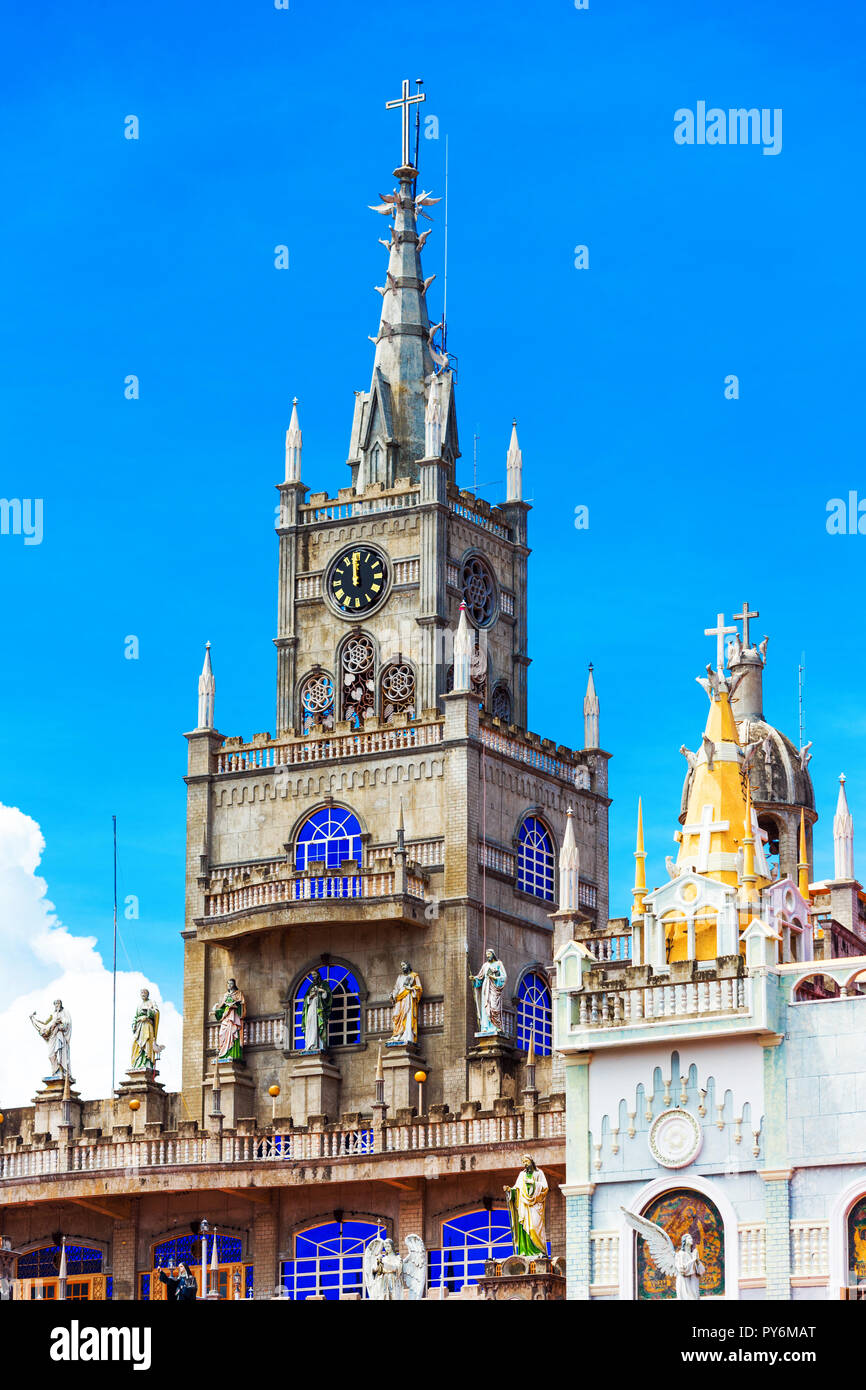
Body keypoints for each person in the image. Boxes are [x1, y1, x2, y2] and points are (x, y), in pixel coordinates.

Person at [504, 1154, 548, 1256]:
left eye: (526, 1161)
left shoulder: (539, 1173)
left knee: (533, 1228)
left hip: (535, 1205)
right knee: (523, 1227)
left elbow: (545, 1188)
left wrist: (533, 1183)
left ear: (531, 1161)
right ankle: (524, 1251)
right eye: (523, 1162)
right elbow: (517, 1189)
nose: (525, 1164)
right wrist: (510, 1190)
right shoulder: (521, 1175)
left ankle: (538, 1251)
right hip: (524, 1205)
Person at [470, 950, 506, 1034]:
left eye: (489, 954)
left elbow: (504, 977)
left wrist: (494, 978)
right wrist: (474, 978)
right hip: (486, 987)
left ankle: (496, 1026)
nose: (487, 956)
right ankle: (485, 1027)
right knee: (485, 1006)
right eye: (486, 954)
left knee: (494, 1006)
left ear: (493, 954)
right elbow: (480, 977)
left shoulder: (498, 964)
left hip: (494, 987)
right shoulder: (485, 965)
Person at [388, 961, 422, 1046]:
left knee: (407, 1016)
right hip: (399, 999)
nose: (403, 967)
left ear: (408, 965)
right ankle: (398, 1035)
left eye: (404, 965)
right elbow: (396, 988)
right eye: (401, 966)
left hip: (408, 998)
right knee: (397, 1015)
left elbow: (419, 988)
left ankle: (407, 1036)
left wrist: (410, 988)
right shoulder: (399, 977)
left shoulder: (414, 975)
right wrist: (392, 995)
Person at [214, 979, 245, 1062]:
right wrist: (216, 1011)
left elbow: (242, 1006)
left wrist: (236, 1005)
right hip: (227, 1017)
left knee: (233, 1032)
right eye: (228, 984)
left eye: (231, 983)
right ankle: (224, 1052)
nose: (230, 985)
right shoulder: (226, 995)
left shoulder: (239, 993)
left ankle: (232, 1053)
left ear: (234, 984)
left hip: (234, 1017)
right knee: (222, 1033)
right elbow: (221, 1007)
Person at [301, 970, 332, 1052]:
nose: (313, 976)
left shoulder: (324, 984)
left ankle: (318, 1044)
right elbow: (306, 999)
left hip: (319, 1010)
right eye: (312, 975)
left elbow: (326, 997)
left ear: (318, 974)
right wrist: (310, 997)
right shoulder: (311, 986)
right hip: (311, 1010)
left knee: (317, 1026)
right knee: (310, 1025)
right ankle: (310, 1044)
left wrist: (322, 991)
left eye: (314, 974)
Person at [131, 989, 160, 1071]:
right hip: (139, 1027)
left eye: (145, 993)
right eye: (142, 993)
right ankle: (138, 1062)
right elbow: (135, 1017)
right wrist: (134, 1025)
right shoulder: (139, 1005)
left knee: (147, 1043)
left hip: (147, 1025)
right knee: (137, 1044)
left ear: (148, 994)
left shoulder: (152, 1002)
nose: (143, 994)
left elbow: (156, 1012)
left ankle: (147, 1061)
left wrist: (148, 1011)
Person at [674, 1233, 705, 1300]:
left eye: (691, 1238)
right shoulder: (680, 1254)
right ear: (684, 1241)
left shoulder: (692, 1254)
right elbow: (682, 1269)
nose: (692, 1240)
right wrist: (693, 1260)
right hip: (684, 1282)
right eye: (689, 1238)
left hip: (693, 1281)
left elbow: (701, 1271)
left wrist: (697, 1261)